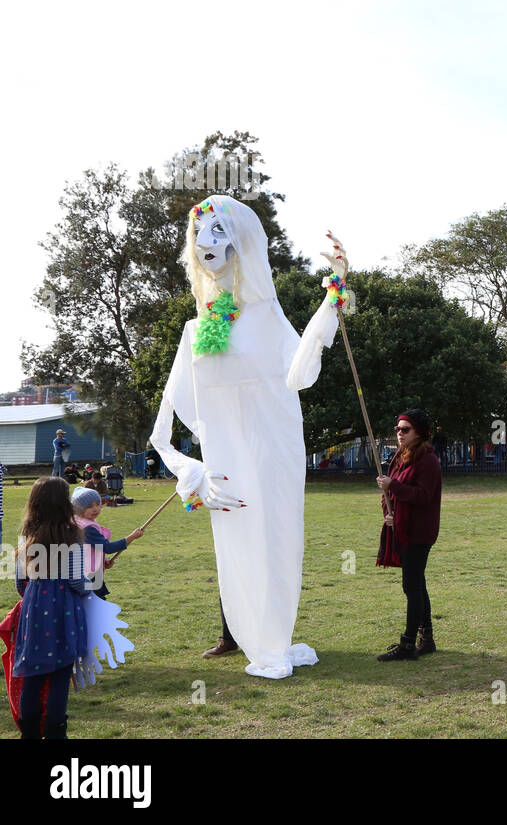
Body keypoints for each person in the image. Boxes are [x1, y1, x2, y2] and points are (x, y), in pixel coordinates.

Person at [148, 195, 342, 678]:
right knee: (237, 547)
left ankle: (274, 637)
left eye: (219, 231)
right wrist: (191, 472)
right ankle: (253, 638)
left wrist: (332, 299)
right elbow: (165, 425)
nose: (207, 242)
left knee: (278, 539)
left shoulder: (266, 317)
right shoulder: (197, 331)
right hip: (226, 465)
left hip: (273, 452)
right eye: (200, 233)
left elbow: (300, 371)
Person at [12, 477, 87, 739]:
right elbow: (77, 580)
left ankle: (29, 732)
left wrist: (35, 595)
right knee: (60, 672)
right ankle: (56, 732)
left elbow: (20, 581)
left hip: (35, 606)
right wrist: (91, 587)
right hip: (64, 607)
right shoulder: (71, 534)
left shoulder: (27, 534)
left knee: (33, 672)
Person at [374, 408, 443, 661]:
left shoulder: (428, 461)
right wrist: (390, 513)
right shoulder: (400, 457)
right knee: (417, 583)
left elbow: (423, 496)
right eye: (397, 429)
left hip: (419, 531)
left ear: (419, 432)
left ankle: (407, 645)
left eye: (405, 430)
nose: (399, 434)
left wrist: (394, 486)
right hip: (403, 526)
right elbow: (392, 495)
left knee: (411, 586)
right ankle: (427, 639)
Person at [71, 487, 145, 600]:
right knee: (97, 610)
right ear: (78, 509)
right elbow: (108, 547)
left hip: (85, 573)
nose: (95, 509)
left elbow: (89, 550)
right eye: (89, 506)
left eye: (97, 504)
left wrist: (101, 562)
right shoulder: (86, 528)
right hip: (88, 576)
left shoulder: (80, 522)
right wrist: (132, 537)